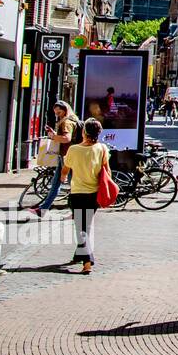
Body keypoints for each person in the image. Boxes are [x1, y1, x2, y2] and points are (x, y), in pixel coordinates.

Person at [60, 117, 109, 274]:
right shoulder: (102, 148)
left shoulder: (74, 150)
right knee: (85, 225)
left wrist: (62, 178)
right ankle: (78, 255)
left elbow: (65, 169)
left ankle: (87, 262)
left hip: (78, 193)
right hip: (94, 194)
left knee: (81, 228)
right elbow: (107, 171)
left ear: (84, 132)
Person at [30, 101, 82, 218]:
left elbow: (66, 138)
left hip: (67, 157)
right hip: (66, 156)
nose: (58, 114)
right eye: (56, 113)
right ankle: (43, 209)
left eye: (59, 112)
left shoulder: (66, 122)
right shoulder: (71, 120)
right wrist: (54, 134)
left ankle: (77, 212)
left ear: (65, 110)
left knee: (73, 186)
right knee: (56, 184)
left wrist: (53, 136)